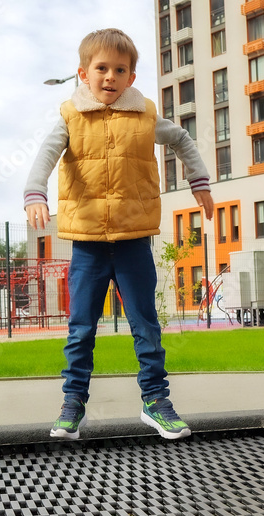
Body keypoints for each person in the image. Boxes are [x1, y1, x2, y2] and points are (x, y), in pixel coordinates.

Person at [24, 28, 214, 441]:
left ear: (131, 77)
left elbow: (181, 139)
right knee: (81, 328)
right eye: (101, 68)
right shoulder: (70, 116)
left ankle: (155, 401)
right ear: (83, 73)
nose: (110, 76)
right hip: (88, 246)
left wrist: (200, 182)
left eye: (120, 70)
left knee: (145, 324)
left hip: (133, 242)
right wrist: (34, 193)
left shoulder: (145, 116)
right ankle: (73, 404)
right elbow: (46, 154)